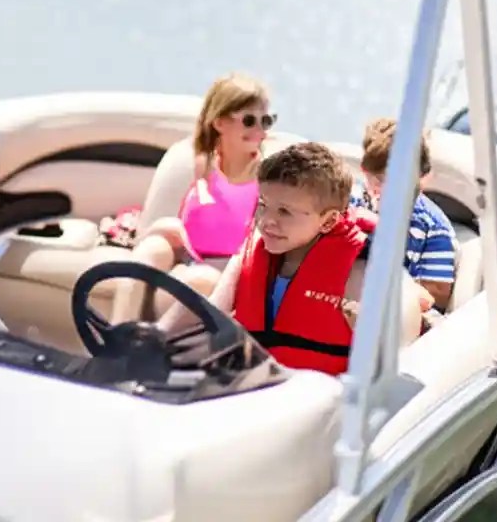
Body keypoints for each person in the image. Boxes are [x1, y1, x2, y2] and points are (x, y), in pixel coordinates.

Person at [157, 142, 425, 375]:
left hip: (318, 402)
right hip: (255, 386)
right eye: (263, 205)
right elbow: (214, 312)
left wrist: (368, 331)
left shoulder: (358, 270)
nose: (267, 221)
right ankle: (150, 343)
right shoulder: (253, 253)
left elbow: (397, 344)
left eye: (285, 211)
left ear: (329, 221)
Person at [111, 73, 271, 322]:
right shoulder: (203, 163)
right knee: (151, 249)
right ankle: (118, 338)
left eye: (266, 121)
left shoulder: (266, 176)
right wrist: (170, 230)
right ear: (219, 123)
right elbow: (192, 220)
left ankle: (150, 343)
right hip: (191, 254)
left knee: (195, 280)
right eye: (250, 121)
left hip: (228, 269)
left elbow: (255, 245)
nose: (260, 131)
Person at [349, 117, 458, 313]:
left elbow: (436, 296)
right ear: (365, 172)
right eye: (379, 179)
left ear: (422, 176)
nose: (388, 189)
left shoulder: (433, 227)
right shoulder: (348, 202)